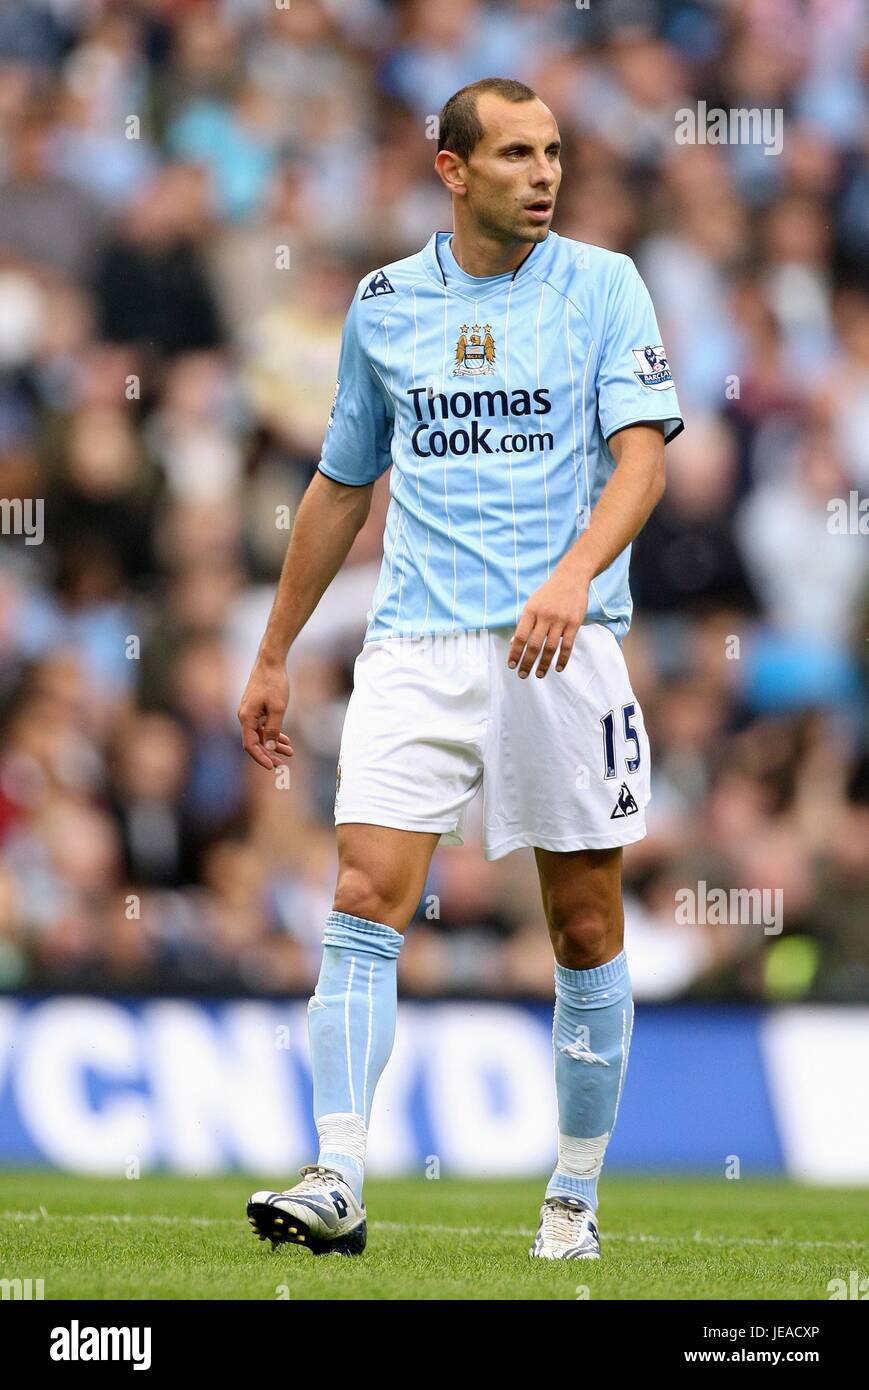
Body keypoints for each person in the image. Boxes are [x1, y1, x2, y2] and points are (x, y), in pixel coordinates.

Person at [238, 77, 683, 1261]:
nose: (542, 174)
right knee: (360, 895)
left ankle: (572, 1199)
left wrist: (573, 573)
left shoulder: (602, 284)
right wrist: (275, 650)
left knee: (583, 925)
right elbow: (340, 485)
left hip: (562, 643)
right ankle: (336, 1172)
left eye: (552, 153)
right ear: (451, 168)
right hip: (416, 643)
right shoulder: (383, 305)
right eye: (515, 155)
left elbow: (640, 464)